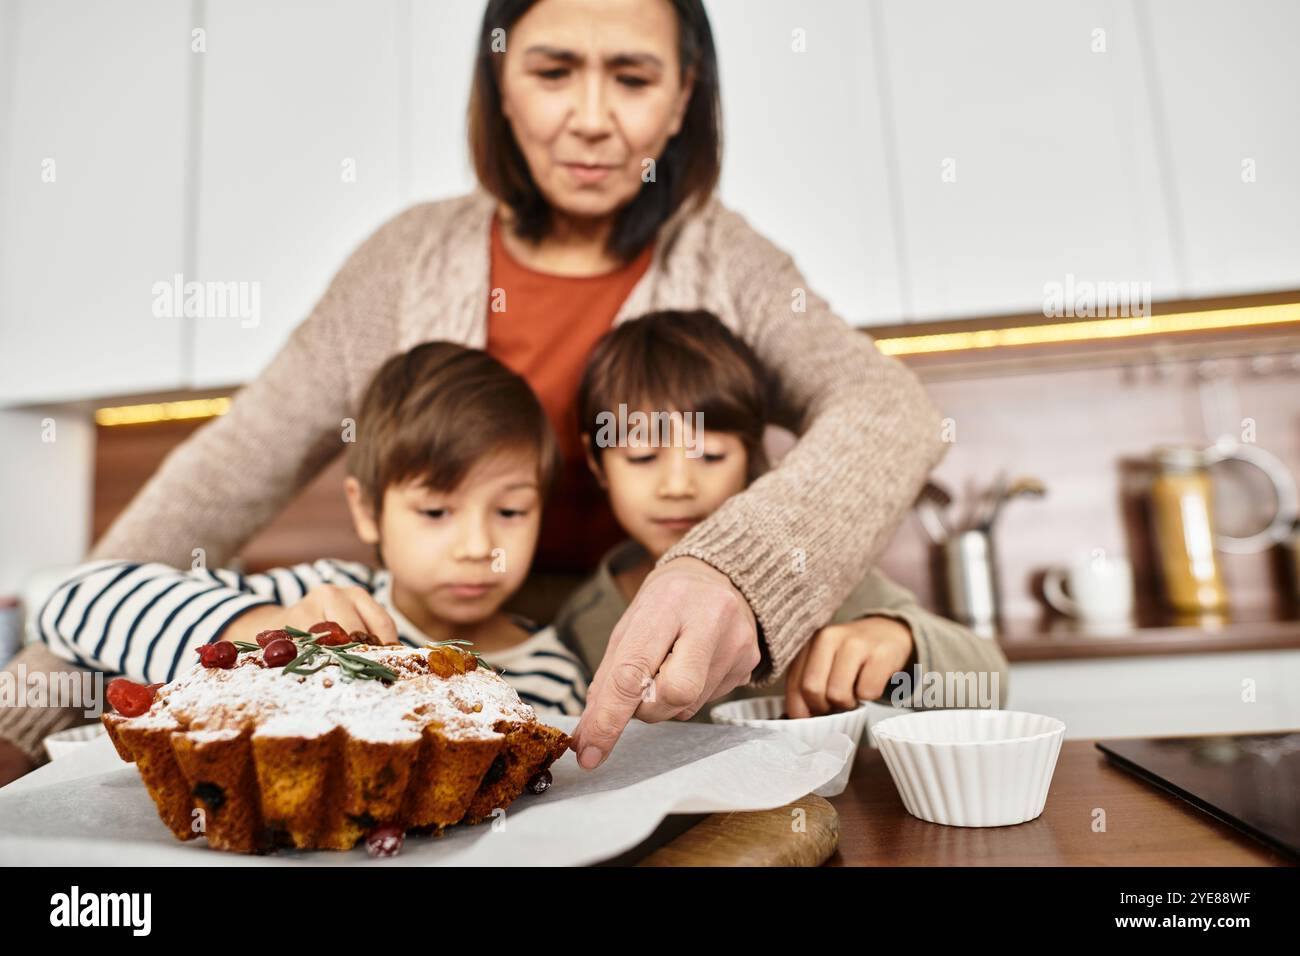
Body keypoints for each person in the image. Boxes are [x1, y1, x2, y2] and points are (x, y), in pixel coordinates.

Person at [0, 0, 945, 782]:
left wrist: (737, 570)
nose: (590, 117)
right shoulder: (406, 260)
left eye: (632, 77)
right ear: (500, 83)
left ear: (682, 99)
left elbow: (889, 409)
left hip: (638, 657)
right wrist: (30, 707)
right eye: (551, 71)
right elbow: (224, 473)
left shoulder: (728, 257)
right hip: (463, 641)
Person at [35, 343, 589, 716]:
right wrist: (265, 628)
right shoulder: (312, 599)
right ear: (368, 510)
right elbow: (73, 597)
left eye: (511, 512)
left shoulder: (554, 676)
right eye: (436, 512)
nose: (477, 548)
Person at [555, 310, 1008, 716]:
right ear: (596, 462)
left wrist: (901, 644)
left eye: (710, 456)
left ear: (751, 457)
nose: (678, 486)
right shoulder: (583, 619)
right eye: (641, 457)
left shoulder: (814, 574)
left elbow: (991, 683)